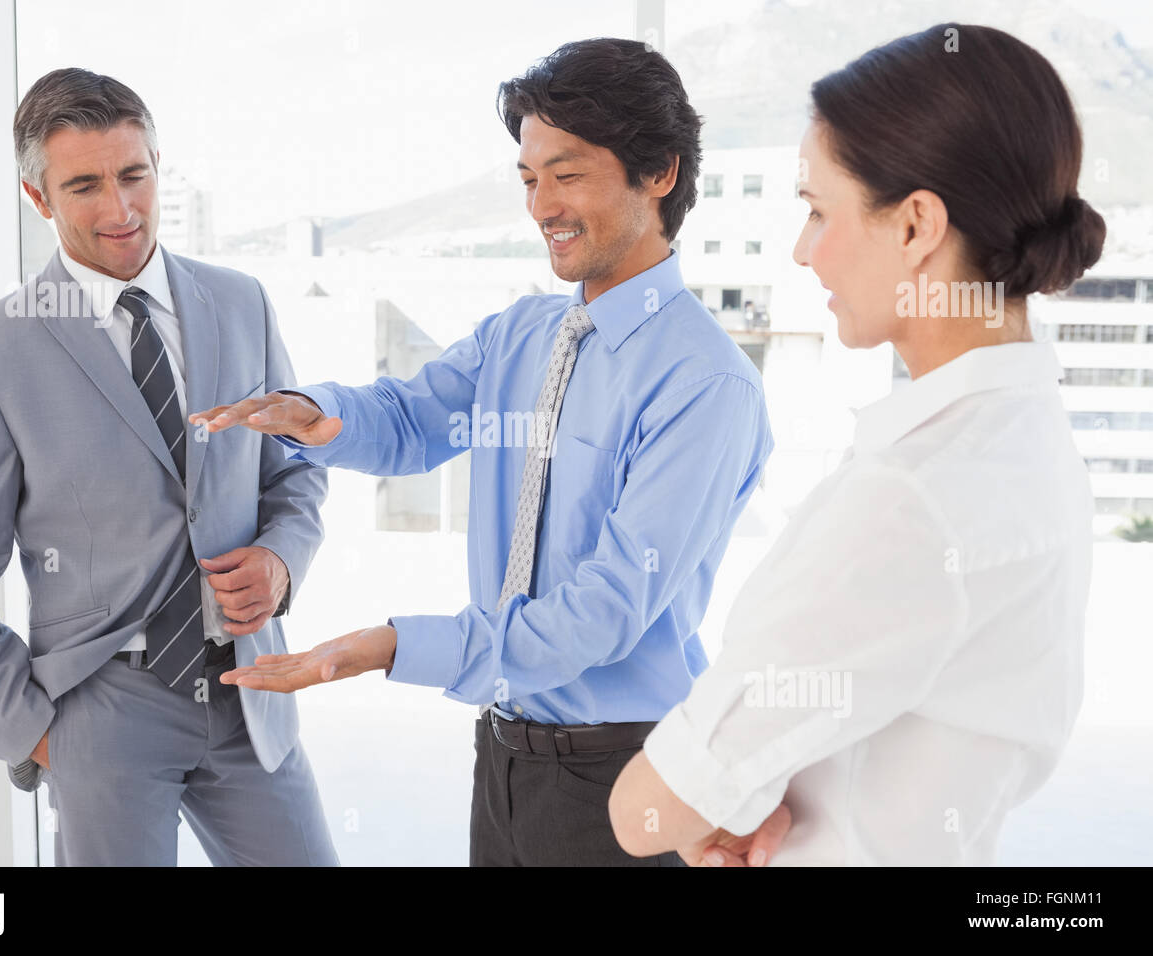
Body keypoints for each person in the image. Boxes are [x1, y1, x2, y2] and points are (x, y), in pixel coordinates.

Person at [191, 38, 789, 867]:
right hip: (504, 757)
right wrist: (312, 413)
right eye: (528, 178)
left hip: (629, 773)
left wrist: (393, 647)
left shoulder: (705, 384)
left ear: (660, 174)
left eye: (567, 173)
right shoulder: (523, 334)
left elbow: (605, 613)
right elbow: (411, 418)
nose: (542, 205)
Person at [608, 22, 1104, 866]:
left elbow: (644, 815)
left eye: (817, 211)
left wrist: (696, 806)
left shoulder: (911, 499)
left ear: (915, 226)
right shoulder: (1024, 434)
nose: (804, 252)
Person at [0, 68, 337, 866]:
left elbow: (294, 471)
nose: (120, 209)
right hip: (102, 707)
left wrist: (280, 561)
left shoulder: (243, 304)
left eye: (133, 175)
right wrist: (24, 730)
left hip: (250, 691)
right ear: (40, 199)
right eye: (85, 185)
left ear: (158, 164)